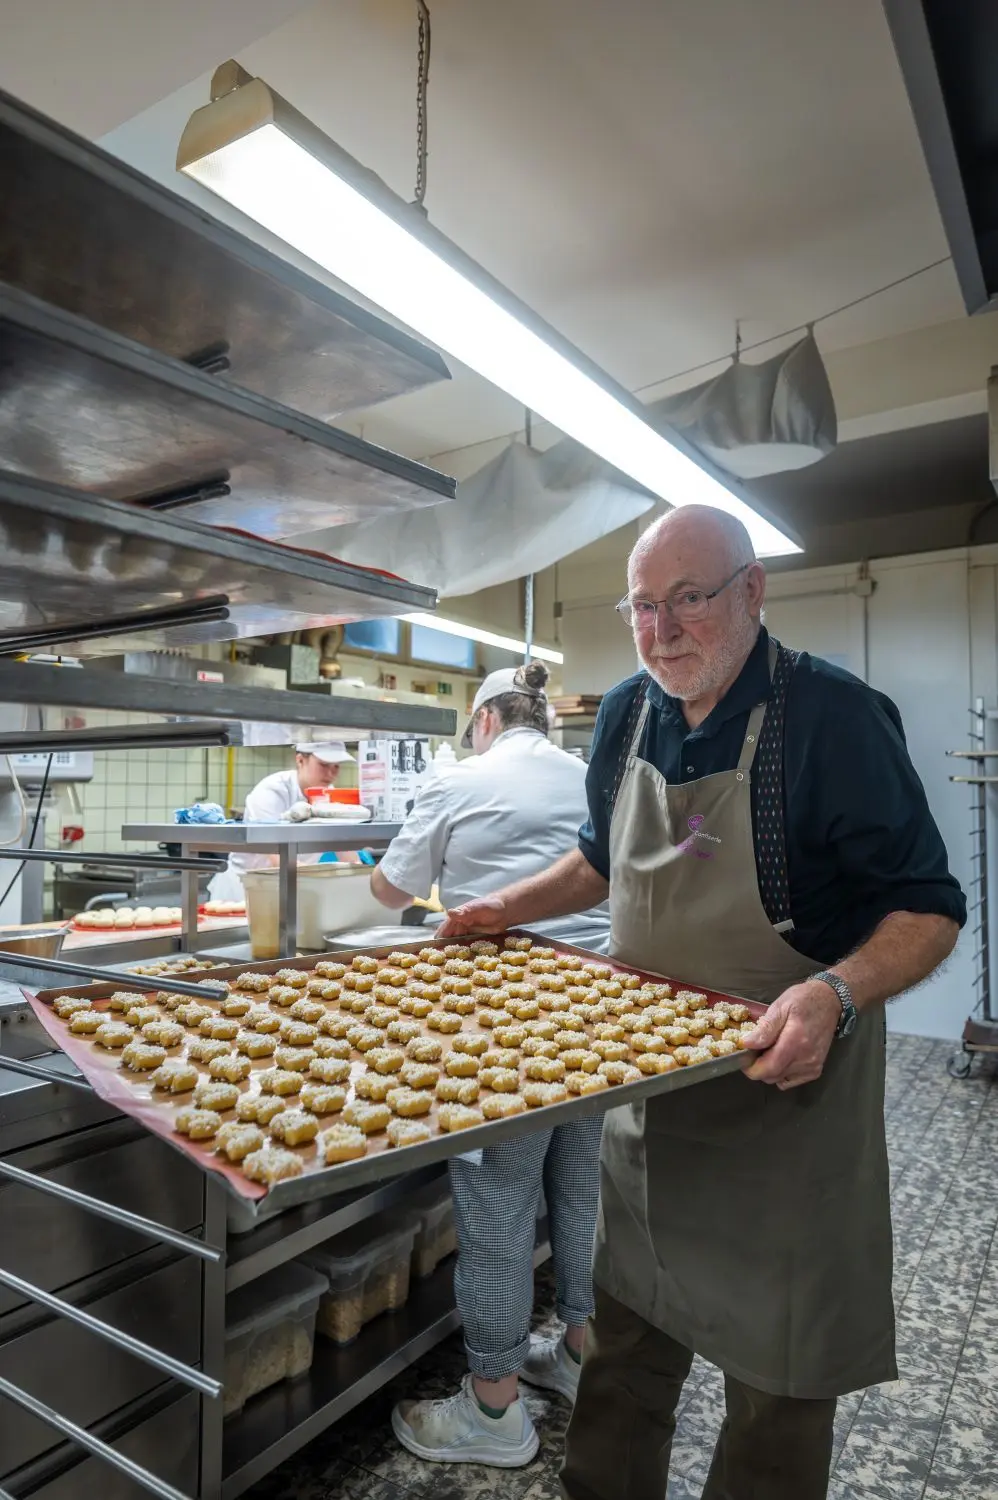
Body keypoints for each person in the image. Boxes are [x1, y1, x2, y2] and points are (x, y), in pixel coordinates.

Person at [440, 506, 966, 1500]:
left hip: (786, 1118)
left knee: (774, 1403)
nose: (663, 629)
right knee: (621, 1364)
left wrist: (836, 991)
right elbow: (601, 861)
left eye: (689, 598)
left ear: (751, 590)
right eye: (643, 606)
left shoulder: (835, 719)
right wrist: (504, 908)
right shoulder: (626, 715)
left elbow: (928, 908)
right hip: (649, 1114)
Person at [372, 663, 605, 1468]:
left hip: (502, 1025)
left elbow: (388, 890)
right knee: (580, 1188)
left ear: (483, 721)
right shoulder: (589, 775)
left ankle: (495, 1409)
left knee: (498, 1206)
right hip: (599, 1011)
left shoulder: (458, 779)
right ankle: (577, 1353)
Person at [207, 741, 355, 902]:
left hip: (295, 882)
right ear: (300, 760)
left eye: (336, 766)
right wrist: (324, 882)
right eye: (324, 765)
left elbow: (345, 847)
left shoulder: (328, 795)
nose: (331, 774)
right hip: (246, 886)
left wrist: (360, 877)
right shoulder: (273, 791)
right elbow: (277, 857)